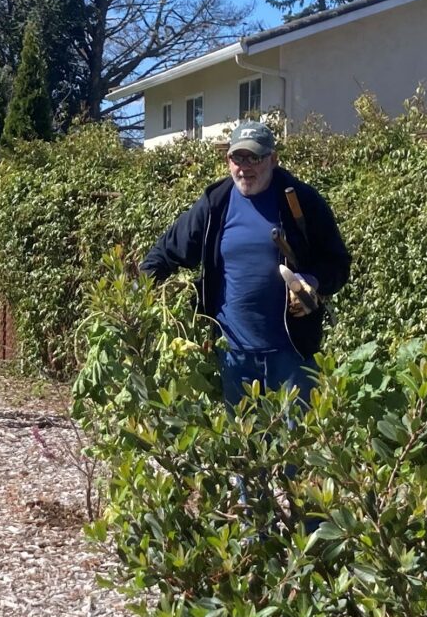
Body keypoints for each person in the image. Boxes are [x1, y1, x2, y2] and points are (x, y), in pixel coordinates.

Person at [141, 121, 350, 407]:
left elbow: (338, 263)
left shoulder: (301, 201)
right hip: (233, 356)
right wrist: (136, 302)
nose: (245, 166)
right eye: (237, 157)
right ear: (228, 160)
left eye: (256, 157)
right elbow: (164, 254)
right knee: (244, 446)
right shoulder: (215, 204)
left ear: (273, 159)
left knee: (297, 446)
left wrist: (312, 281)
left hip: (292, 354)